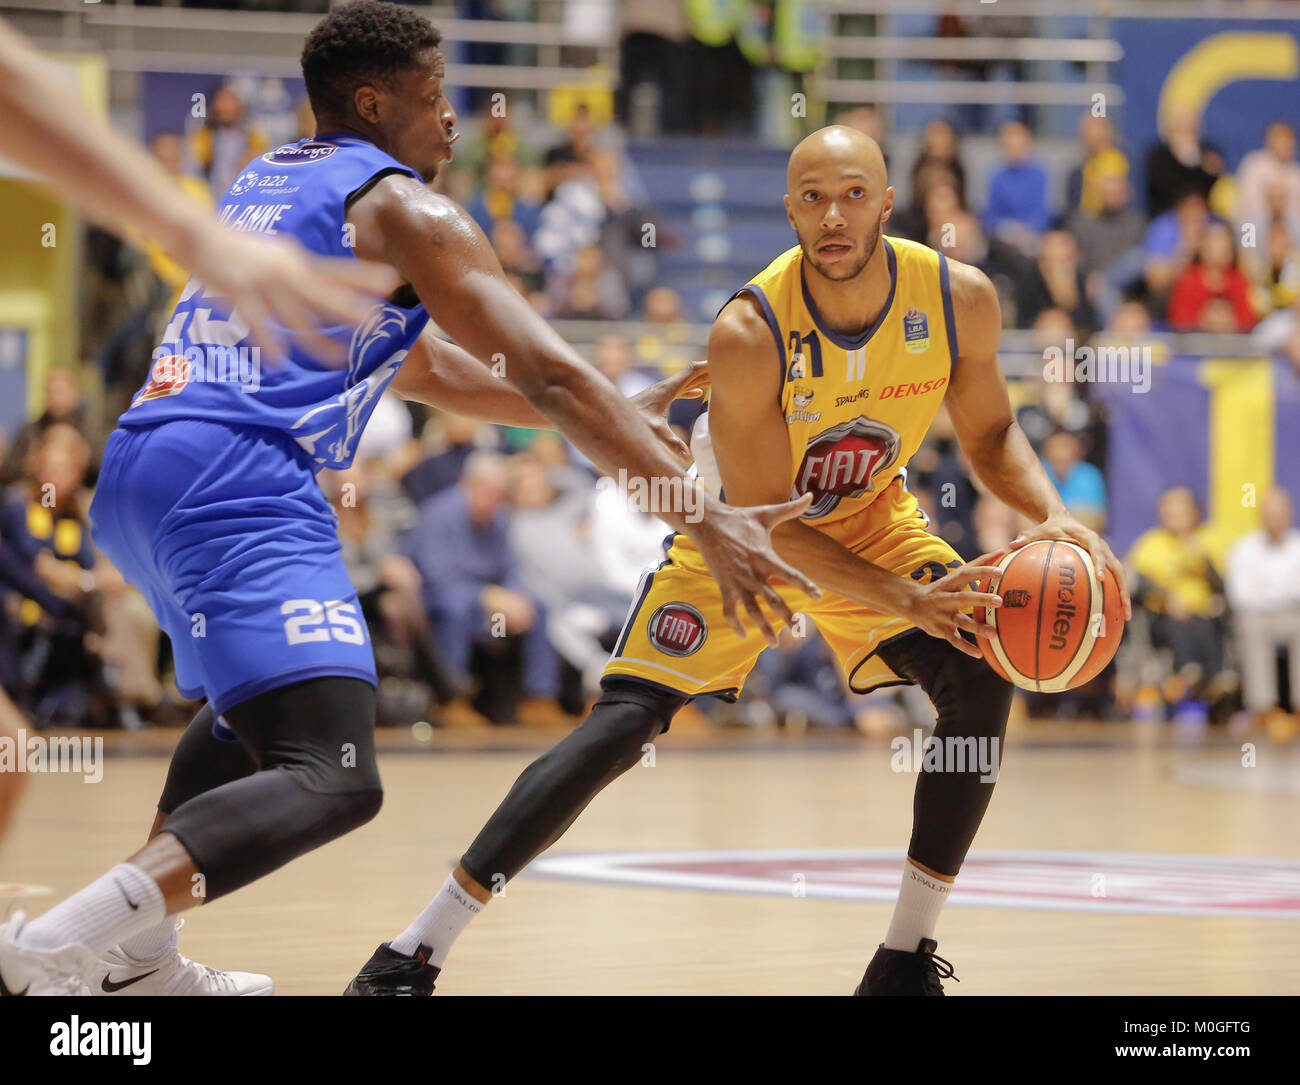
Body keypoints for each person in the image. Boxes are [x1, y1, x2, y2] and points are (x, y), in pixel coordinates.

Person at [0, 0, 816, 998]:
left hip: (142, 470)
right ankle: (62, 944)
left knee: (245, 716)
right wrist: (700, 515)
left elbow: (419, 361)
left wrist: (581, 408)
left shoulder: (269, 177)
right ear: (376, 100)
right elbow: (552, 371)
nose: (456, 119)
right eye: (435, 98)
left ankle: (134, 958)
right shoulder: (408, 209)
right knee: (333, 768)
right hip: (240, 477)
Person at [345, 125, 1130, 998]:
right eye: (812, 197)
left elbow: (988, 432)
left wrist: (1054, 512)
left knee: (981, 673)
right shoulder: (752, 331)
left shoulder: (959, 299)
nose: (833, 216)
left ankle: (902, 962)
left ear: (887, 202)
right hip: (741, 539)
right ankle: (414, 951)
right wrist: (908, 598)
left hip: (871, 518)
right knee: (622, 726)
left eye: (852, 194)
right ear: (790, 207)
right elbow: (766, 530)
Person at [0, 16, 398, 361]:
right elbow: (12, 89)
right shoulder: (198, 160)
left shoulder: (256, 153)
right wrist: (204, 238)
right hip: (181, 285)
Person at [1224, 488, 1300, 722]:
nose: (1275, 520)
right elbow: (1240, 595)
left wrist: (1269, 592)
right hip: (1256, 615)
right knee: (1252, 629)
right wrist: (1278, 594)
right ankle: (1263, 710)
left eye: (1279, 514)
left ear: (1289, 514)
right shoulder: (1244, 549)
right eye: (1270, 514)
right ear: (1261, 516)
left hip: (1293, 614)